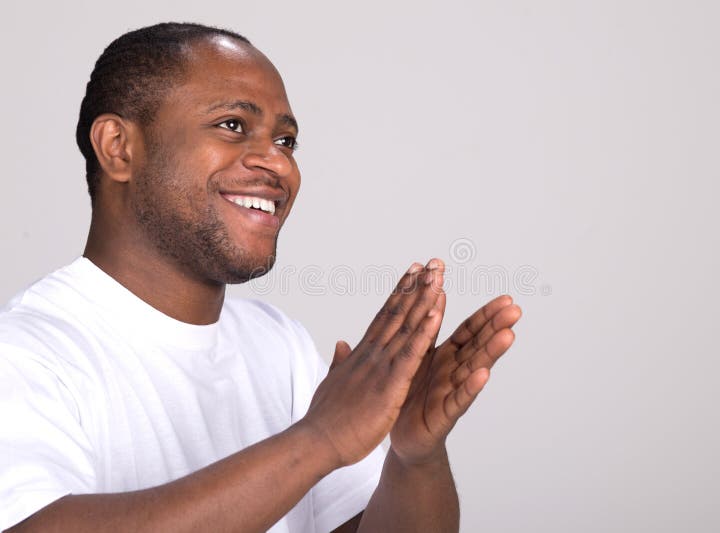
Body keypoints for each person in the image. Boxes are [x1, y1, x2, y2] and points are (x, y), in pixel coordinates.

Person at [0, 22, 521, 532]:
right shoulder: (25, 351)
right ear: (118, 147)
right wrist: (319, 439)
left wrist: (413, 459)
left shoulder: (278, 343)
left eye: (287, 140)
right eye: (232, 125)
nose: (279, 164)